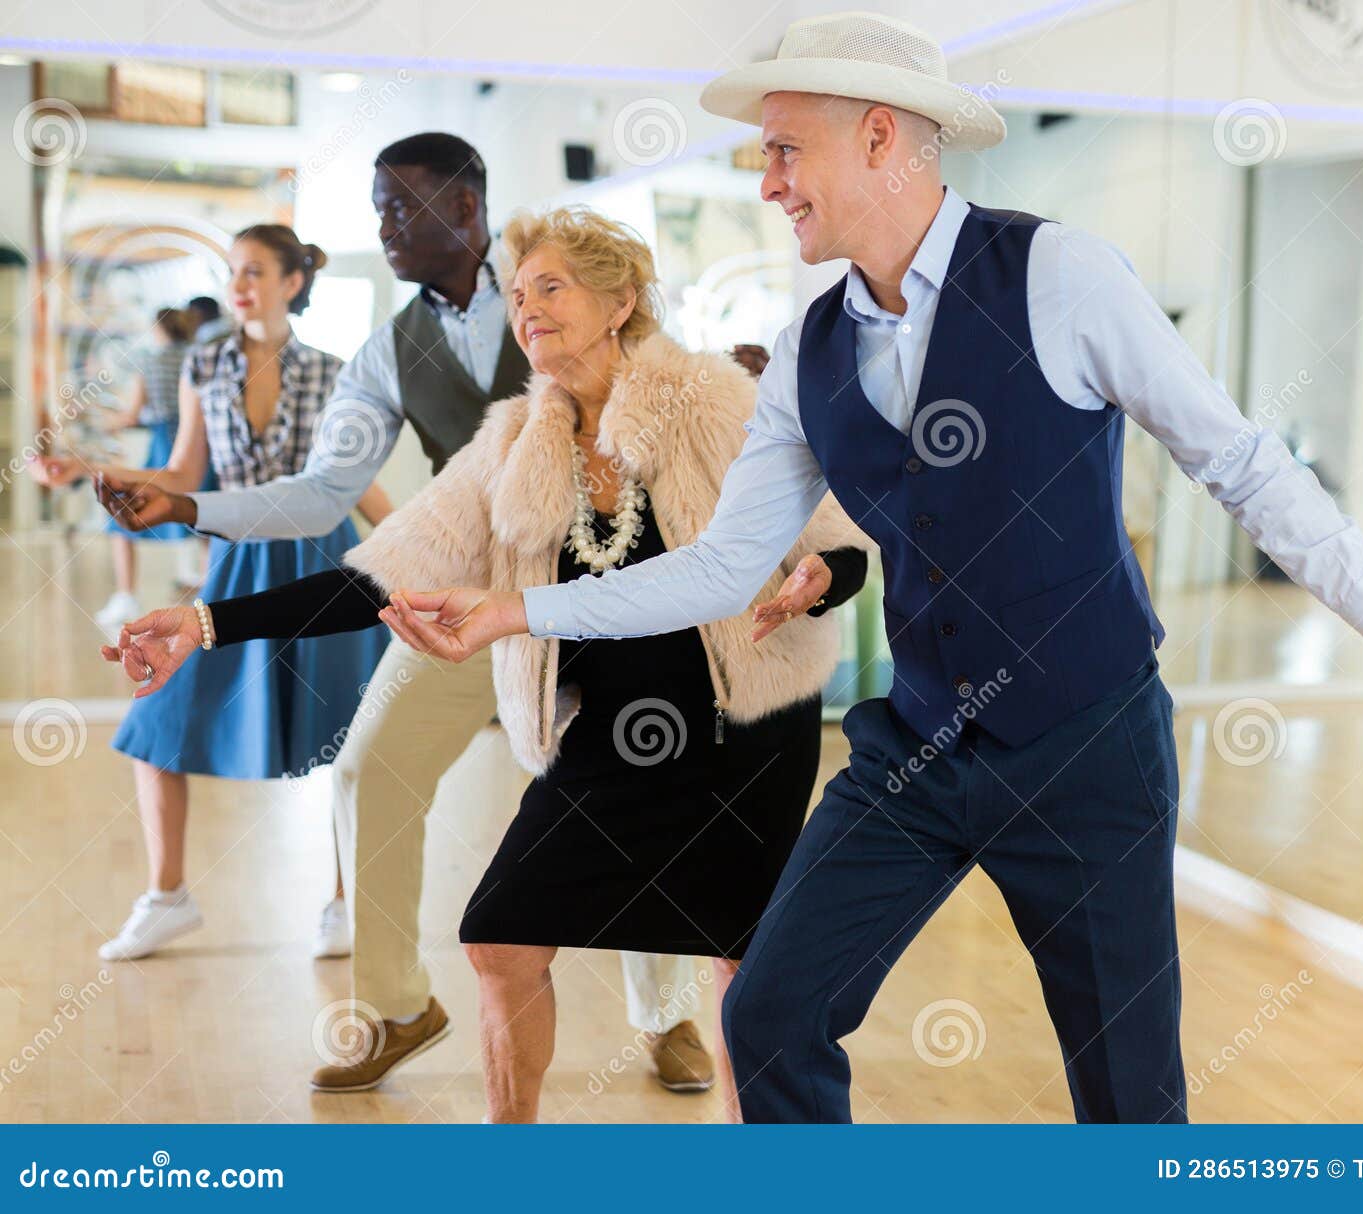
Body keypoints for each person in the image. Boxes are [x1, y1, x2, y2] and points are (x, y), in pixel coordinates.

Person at [364, 12, 1363, 1123]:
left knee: (1126, 1096)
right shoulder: (806, 350)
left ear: (879, 136)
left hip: (1086, 746)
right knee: (769, 1012)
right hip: (918, 748)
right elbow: (726, 563)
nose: (766, 179)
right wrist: (514, 609)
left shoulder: (1061, 276)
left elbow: (1236, 456)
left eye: (784, 150)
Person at [107, 205, 870, 1123]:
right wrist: (204, 622)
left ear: (621, 302)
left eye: (552, 288)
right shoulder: (513, 439)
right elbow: (383, 570)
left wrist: (823, 580)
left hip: (743, 731)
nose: (528, 309)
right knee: (500, 937)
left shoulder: (713, 400)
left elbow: (839, 541)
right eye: (518, 295)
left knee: (742, 962)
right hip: (607, 740)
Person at [37, 223, 393, 964]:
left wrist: (424, 551)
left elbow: (355, 487)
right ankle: (166, 897)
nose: (239, 284)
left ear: (293, 282)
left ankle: (343, 901)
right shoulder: (205, 363)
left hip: (323, 562)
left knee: (350, 737)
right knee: (157, 722)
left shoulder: (335, 373)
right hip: (236, 562)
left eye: (255, 270)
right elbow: (183, 474)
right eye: (233, 270)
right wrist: (92, 470)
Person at [93, 307, 196, 637]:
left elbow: (131, 414)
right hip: (199, 445)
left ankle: (125, 596)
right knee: (204, 517)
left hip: (165, 445)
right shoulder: (197, 358)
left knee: (121, 517)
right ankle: (209, 592)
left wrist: (103, 422)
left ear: (158, 329)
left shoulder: (149, 361)